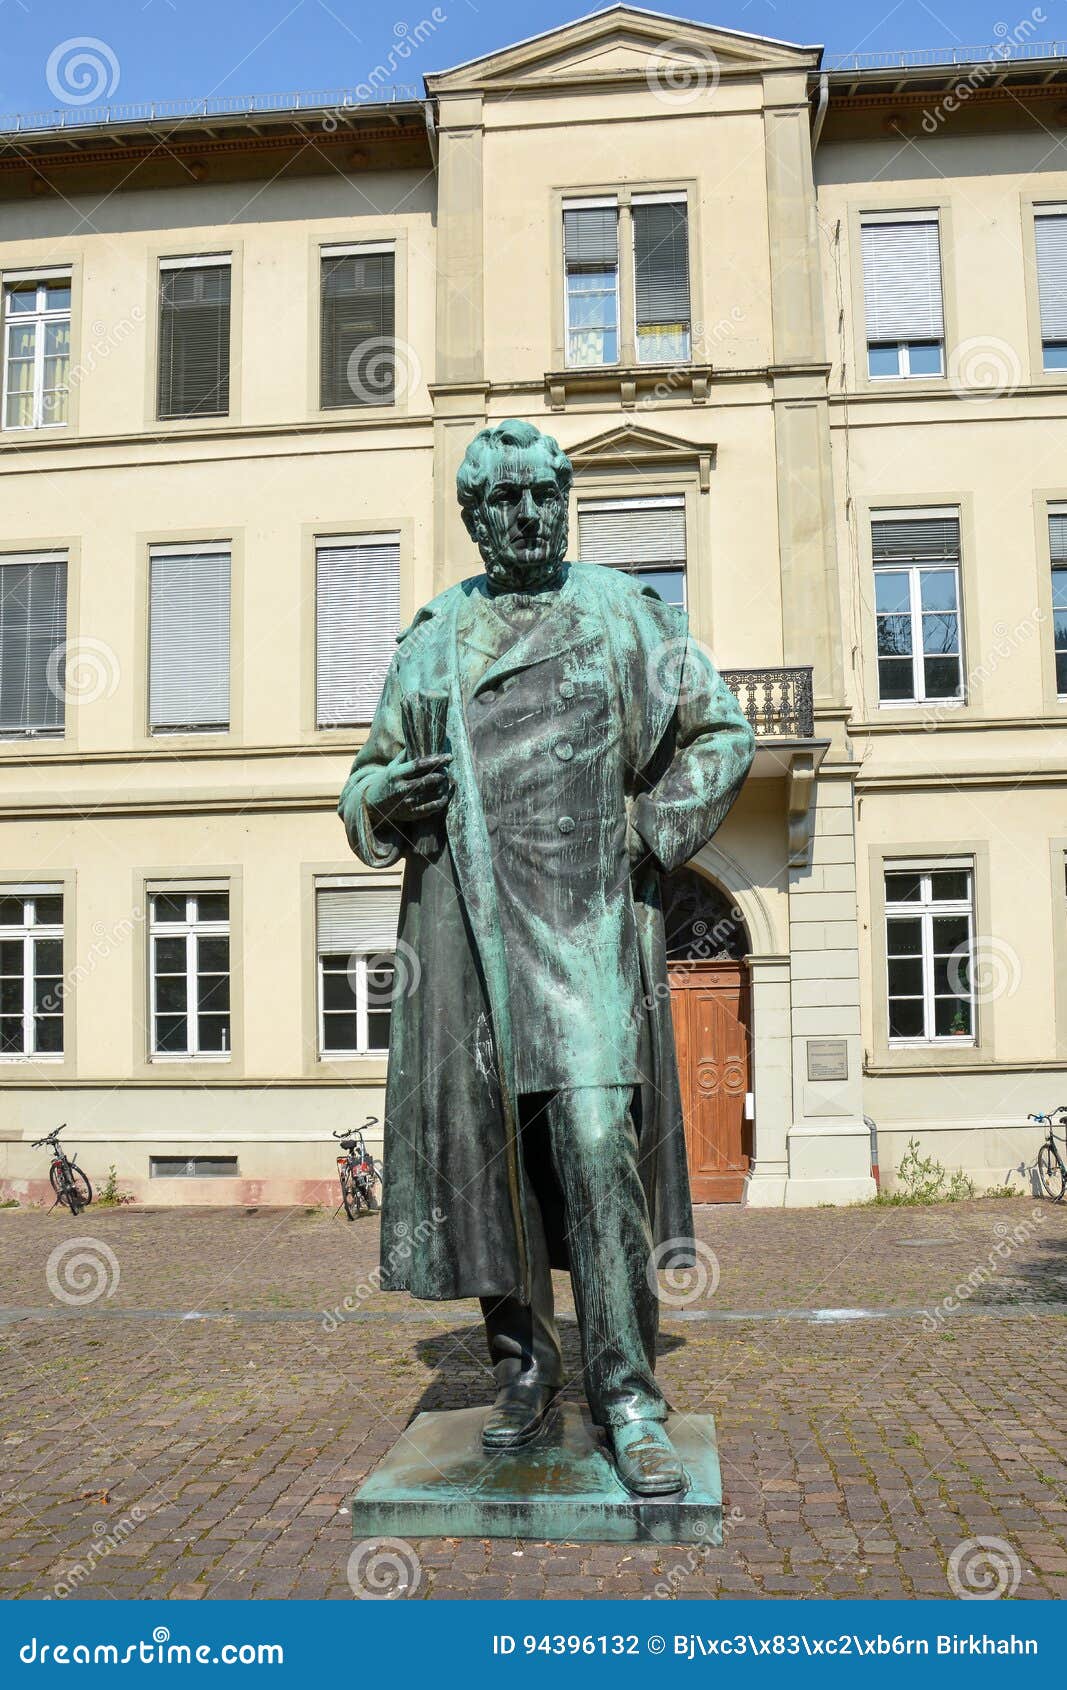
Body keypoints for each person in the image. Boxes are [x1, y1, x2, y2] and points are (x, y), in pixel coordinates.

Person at [339, 419, 754, 1494]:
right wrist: (373, 799)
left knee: (589, 1142)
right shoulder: (433, 638)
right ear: (474, 518)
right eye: (505, 501)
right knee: (493, 1165)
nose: (528, 516)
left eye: (542, 496)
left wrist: (649, 828)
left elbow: (721, 732)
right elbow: (364, 782)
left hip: (585, 935)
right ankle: (523, 1365)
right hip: (468, 936)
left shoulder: (622, 612)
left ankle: (625, 1393)